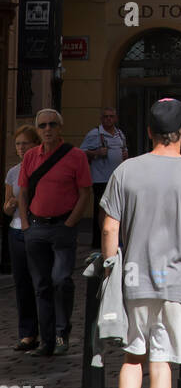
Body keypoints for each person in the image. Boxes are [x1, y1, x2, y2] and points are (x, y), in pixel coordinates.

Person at [101, 97, 181, 388]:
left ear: (149, 131)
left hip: (134, 279)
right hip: (177, 282)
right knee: (162, 361)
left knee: (132, 357)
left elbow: (109, 229)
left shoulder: (125, 171)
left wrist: (111, 270)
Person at [18, 108, 92, 357]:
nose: (47, 129)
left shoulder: (76, 156)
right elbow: (24, 192)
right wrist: (26, 225)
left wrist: (71, 223)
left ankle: (62, 334)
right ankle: (46, 341)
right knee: (41, 285)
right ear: (38, 130)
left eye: (52, 125)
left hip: (62, 227)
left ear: (60, 128)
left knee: (61, 280)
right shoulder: (30, 157)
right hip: (36, 228)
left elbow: (84, 193)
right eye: (42, 126)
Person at [3, 124, 40, 350]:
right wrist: (10, 205)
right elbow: (6, 207)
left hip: (38, 229)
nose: (21, 147)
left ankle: (50, 332)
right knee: (23, 283)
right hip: (16, 230)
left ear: (36, 145)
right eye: (18, 143)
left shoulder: (42, 169)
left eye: (25, 143)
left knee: (43, 283)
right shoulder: (13, 172)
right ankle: (27, 333)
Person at [81, 108, 129, 248]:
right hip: (100, 179)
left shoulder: (120, 134)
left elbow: (124, 149)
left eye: (111, 116)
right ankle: (98, 242)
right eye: (106, 117)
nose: (109, 119)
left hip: (117, 179)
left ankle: (114, 239)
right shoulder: (95, 133)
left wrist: (125, 155)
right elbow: (81, 152)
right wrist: (96, 152)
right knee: (102, 210)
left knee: (116, 209)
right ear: (101, 119)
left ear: (116, 118)